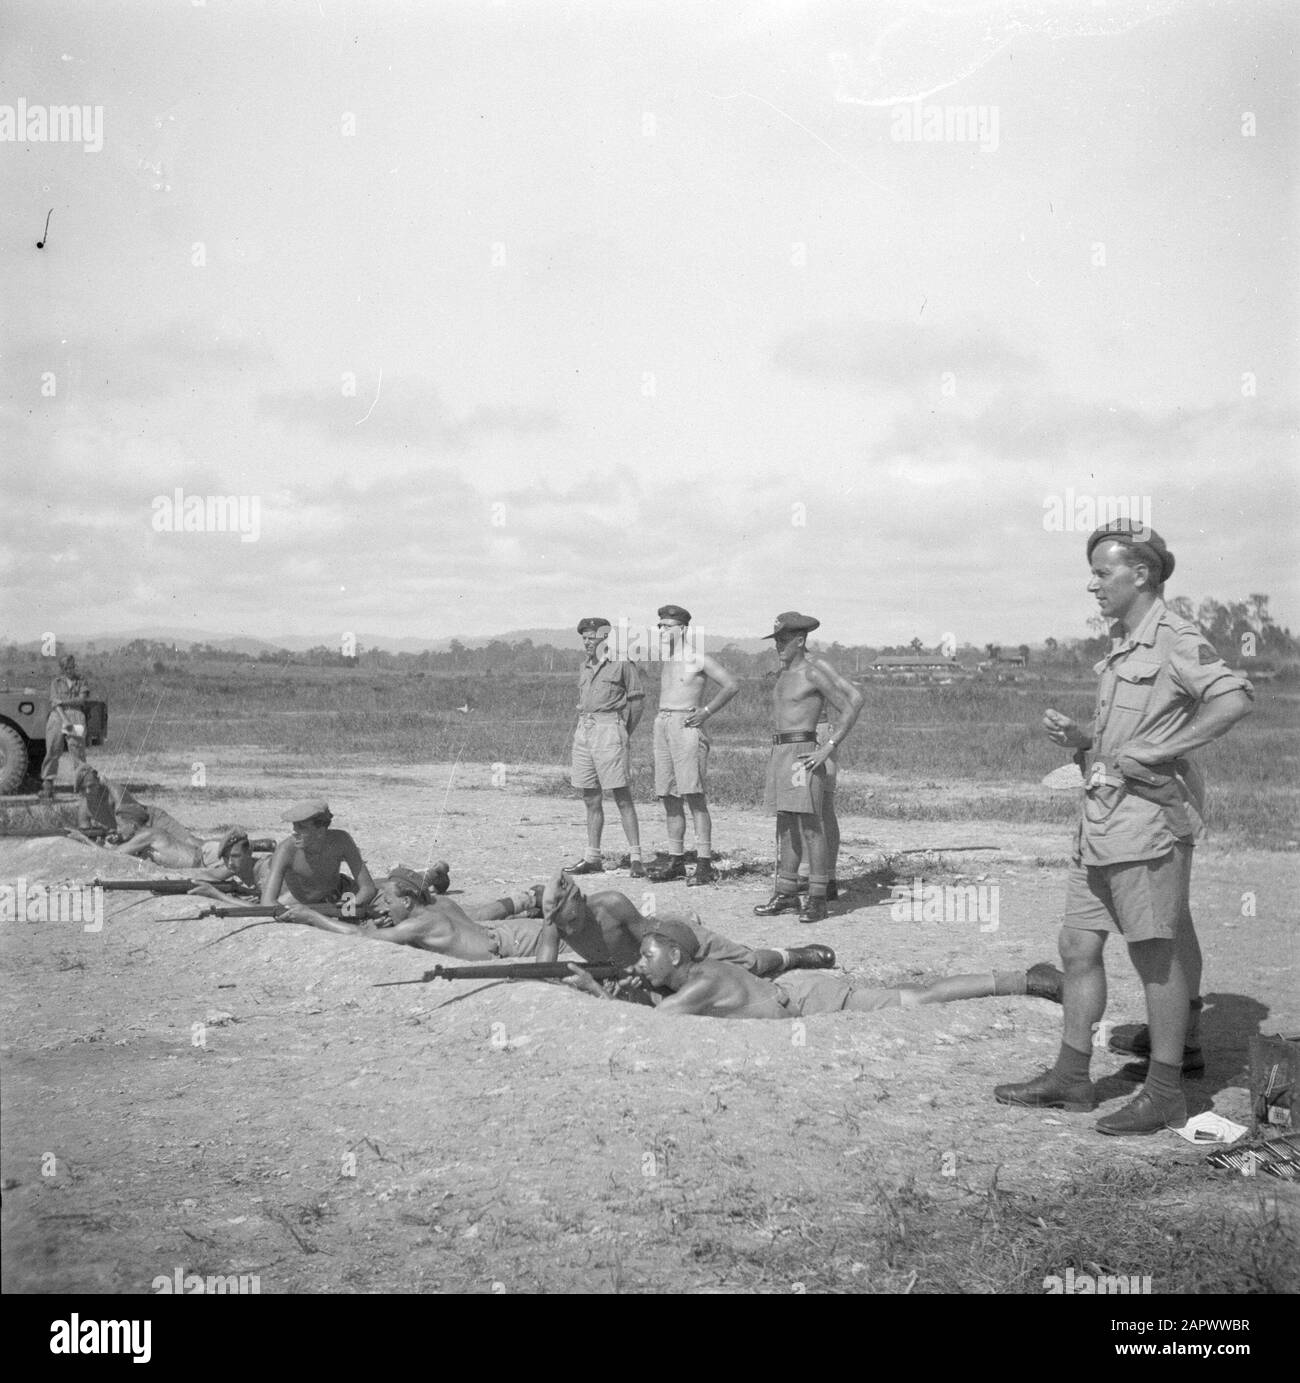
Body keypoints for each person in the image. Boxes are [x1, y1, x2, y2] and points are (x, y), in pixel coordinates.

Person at [994, 520, 1254, 1136]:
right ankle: (1072, 1076)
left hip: (1146, 821)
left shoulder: (1175, 637)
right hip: (1103, 814)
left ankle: (1165, 1091)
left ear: (1141, 574)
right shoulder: (1123, 640)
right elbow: (1125, 737)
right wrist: (1085, 742)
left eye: (1102, 572)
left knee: (1154, 955)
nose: (1092, 585)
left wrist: (1161, 754)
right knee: (1076, 946)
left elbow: (1234, 698)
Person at [567, 916, 1063, 1019]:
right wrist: (640, 986)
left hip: (810, 1001)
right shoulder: (696, 972)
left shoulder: (700, 983)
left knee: (917, 997)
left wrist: (597, 991)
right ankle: (1021, 978)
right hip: (801, 993)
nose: (639, 962)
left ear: (675, 955)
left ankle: (1023, 979)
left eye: (647, 956)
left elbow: (660, 1023)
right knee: (909, 990)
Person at [753, 613, 864, 923]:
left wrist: (827, 747)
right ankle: (786, 893)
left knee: (811, 826)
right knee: (785, 824)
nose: (778, 646)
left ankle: (817, 897)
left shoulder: (813, 674)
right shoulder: (783, 673)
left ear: (800, 641)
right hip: (780, 751)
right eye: (776, 640)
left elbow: (850, 706)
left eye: (784, 641)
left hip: (804, 751)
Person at [535, 869, 834, 976]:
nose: (569, 930)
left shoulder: (612, 905)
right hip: (640, 968)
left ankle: (792, 956)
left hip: (668, 939)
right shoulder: (556, 922)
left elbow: (653, 943)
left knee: (748, 966)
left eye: (572, 919)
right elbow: (541, 969)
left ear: (581, 899)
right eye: (562, 925)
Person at [647, 604, 739, 886]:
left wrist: (706, 712)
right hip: (663, 724)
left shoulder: (697, 658)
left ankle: (703, 863)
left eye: (668, 626)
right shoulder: (667, 659)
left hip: (687, 726)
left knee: (694, 796)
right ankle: (676, 860)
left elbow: (731, 684)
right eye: (660, 626)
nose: (662, 630)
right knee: (668, 795)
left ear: (683, 629)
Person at [278, 873, 557, 960]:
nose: (383, 906)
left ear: (408, 900)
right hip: (513, 935)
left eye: (388, 901)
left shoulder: (420, 924)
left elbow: (361, 935)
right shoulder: (441, 904)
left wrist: (311, 917)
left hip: (512, 946)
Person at [567, 617, 646, 879]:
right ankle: (592, 857)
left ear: (605, 639)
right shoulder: (584, 666)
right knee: (590, 796)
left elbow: (636, 701)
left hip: (610, 728)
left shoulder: (622, 664)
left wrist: (623, 731)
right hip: (585, 731)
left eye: (592, 638)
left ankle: (636, 857)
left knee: (621, 795)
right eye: (585, 638)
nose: (587, 642)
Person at [260, 800, 378, 910]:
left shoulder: (341, 841)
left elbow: (367, 888)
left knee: (388, 892)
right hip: (298, 901)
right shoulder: (286, 850)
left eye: (301, 827)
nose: (294, 831)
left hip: (337, 893)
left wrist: (348, 909)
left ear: (320, 831)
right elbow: (267, 903)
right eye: (294, 825)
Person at [797, 719, 842, 900]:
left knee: (820, 807)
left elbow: (852, 702)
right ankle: (812, 873)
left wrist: (829, 744)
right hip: (801, 732)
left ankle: (825, 877)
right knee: (807, 806)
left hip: (815, 732)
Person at [39, 654, 90, 798]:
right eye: (67, 668)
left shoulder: (81, 681)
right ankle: (48, 786)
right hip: (57, 716)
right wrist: (64, 719)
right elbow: (55, 703)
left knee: (78, 752)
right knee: (53, 750)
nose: (70, 670)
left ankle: (83, 787)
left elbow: (81, 700)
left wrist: (64, 702)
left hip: (76, 716)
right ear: (62, 669)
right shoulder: (56, 682)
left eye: (72, 667)